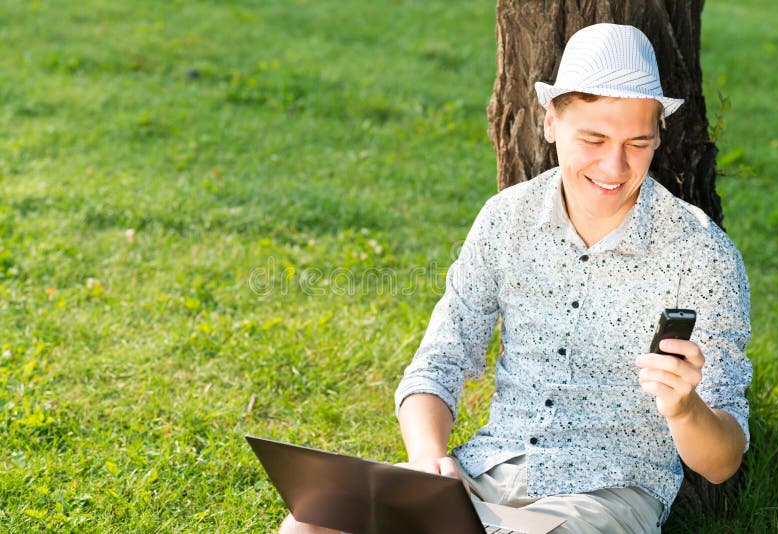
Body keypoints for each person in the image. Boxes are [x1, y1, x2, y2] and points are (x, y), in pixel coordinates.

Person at [279, 23, 751, 534]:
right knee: (310, 524)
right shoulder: (507, 219)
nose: (615, 166)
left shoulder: (700, 252)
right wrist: (426, 461)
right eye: (593, 138)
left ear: (658, 136)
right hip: (486, 472)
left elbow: (721, 462)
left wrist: (683, 409)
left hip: (606, 494)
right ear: (550, 122)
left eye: (638, 143)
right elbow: (439, 360)